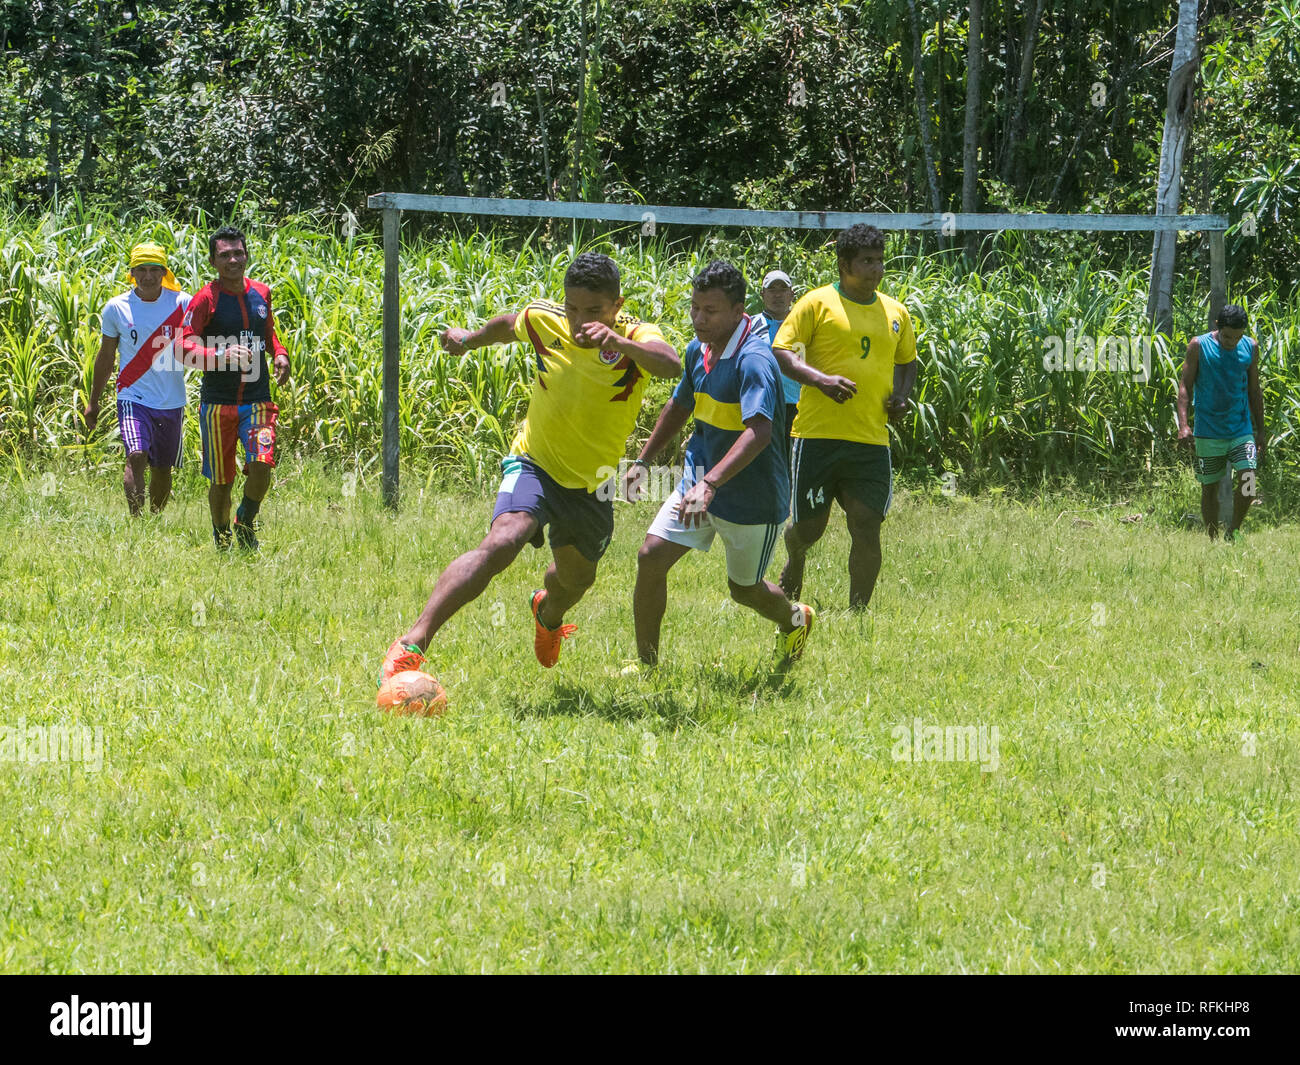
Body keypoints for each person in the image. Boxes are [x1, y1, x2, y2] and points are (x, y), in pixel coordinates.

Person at [379, 252, 679, 684]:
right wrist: (469, 339)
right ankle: (412, 643)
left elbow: (670, 364)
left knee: (575, 581)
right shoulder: (546, 319)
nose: (579, 321)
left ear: (617, 304)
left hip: (593, 486)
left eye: (593, 311)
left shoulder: (636, 334)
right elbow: (508, 325)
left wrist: (620, 343)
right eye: (572, 308)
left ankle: (548, 612)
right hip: (534, 463)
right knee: (504, 540)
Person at [626, 260, 813, 669]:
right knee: (650, 556)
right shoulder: (700, 349)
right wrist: (643, 460)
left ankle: (796, 619)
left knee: (743, 589)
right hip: (698, 482)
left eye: (709, 311)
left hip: (752, 497)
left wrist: (710, 485)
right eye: (694, 307)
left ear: (738, 309)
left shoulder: (754, 359)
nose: (697, 318)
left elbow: (759, 433)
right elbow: (679, 405)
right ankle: (647, 666)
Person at [771, 223, 918, 610]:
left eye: (880, 261)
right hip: (817, 436)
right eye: (867, 261)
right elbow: (782, 352)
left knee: (867, 524)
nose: (876, 269)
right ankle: (796, 558)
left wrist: (901, 397)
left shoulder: (896, 313)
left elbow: (908, 362)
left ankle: (858, 612)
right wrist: (820, 380)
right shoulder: (816, 304)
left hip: (870, 440)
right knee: (808, 529)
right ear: (843, 264)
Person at [179, 226, 290, 551]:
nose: (233, 260)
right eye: (225, 255)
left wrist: (280, 354)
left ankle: (246, 519)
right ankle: (222, 534)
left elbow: (268, 333)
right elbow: (182, 346)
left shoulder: (261, 292)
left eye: (238, 253)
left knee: (262, 463)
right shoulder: (205, 299)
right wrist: (219, 355)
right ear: (213, 260)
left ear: (246, 255)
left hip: (258, 400)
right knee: (222, 480)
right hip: (217, 404)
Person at [83, 243, 191, 516]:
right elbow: (106, 356)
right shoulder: (116, 308)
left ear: (164, 272)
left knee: (162, 468)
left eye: (155, 270)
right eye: (141, 270)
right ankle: (136, 519)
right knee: (136, 454)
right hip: (132, 395)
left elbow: (202, 341)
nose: (148, 276)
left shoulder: (182, 303)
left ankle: (153, 521)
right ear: (132, 273)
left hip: (171, 399)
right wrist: (93, 402)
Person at [1176, 303, 1265, 541]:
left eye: (1237, 337)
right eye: (1227, 336)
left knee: (1249, 481)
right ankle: (1213, 538)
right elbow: (1185, 385)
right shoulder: (1199, 346)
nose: (1232, 342)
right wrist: (1184, 425)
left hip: (1241, 429)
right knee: (1210, 488)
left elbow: (1254, 391)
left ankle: (1232, 532)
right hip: (1208, 432)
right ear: (1217, 327)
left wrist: (1261, 432)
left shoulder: (1250, 347)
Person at [750, 269, 800, 468]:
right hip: (762, 404)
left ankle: (789, 498)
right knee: (763, 462)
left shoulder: (803, 323)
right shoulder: (751, 326)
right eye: (772, 290)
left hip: (798, 405)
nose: (777, 295)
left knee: (794, 463)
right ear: (762, 294)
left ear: (792, 294)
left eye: (782, 289)